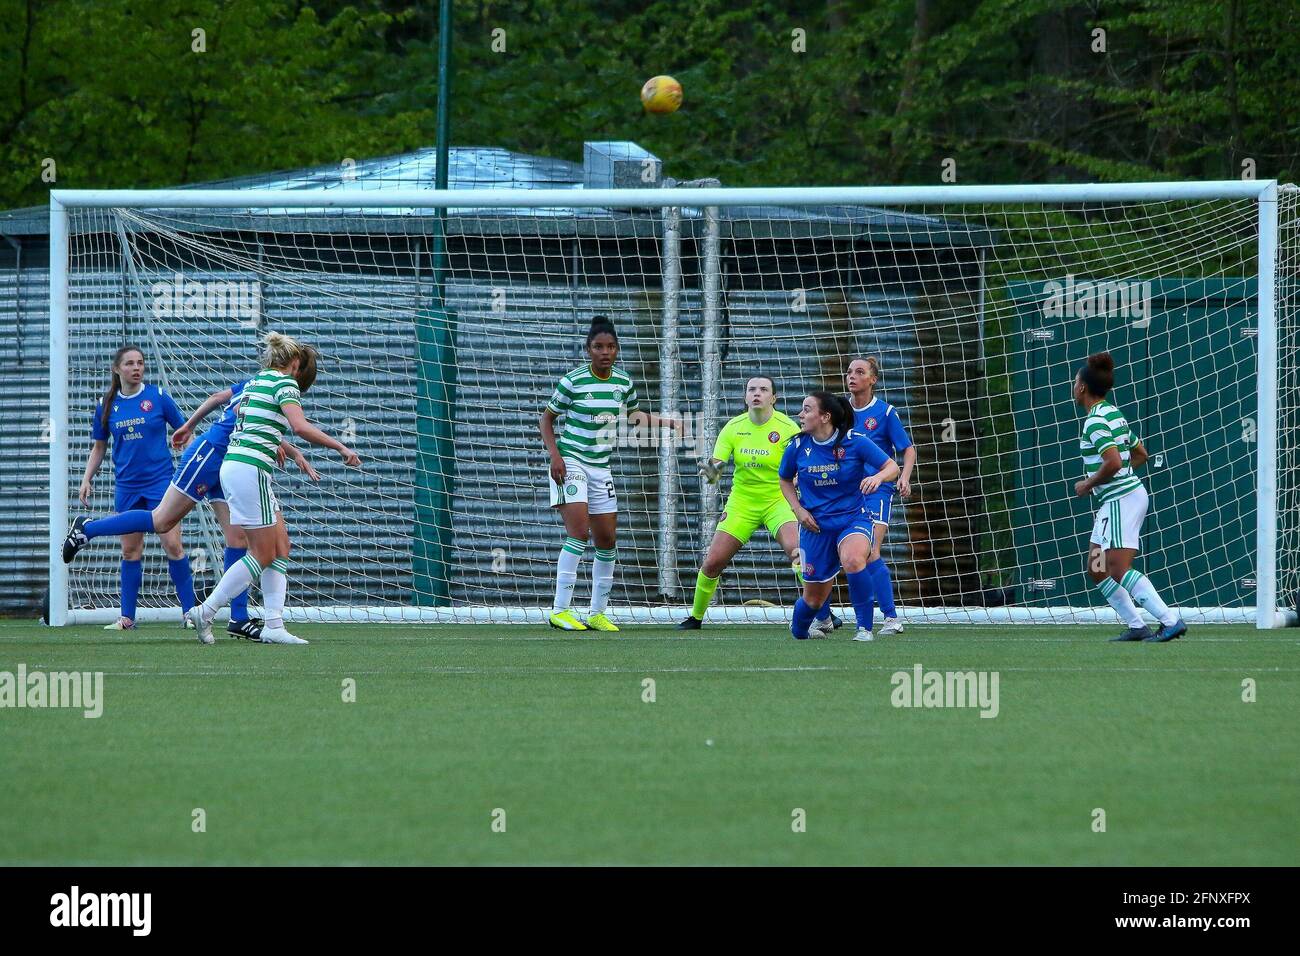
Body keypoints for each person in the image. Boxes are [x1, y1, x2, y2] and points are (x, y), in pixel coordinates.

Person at [63, 354, 320, 641]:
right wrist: (187, 426)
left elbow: (253, 420)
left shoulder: (267, 384)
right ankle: (87, 529)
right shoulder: (264, 382)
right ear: (295, 372)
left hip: (231, 462)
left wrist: (293, 451)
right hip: (210, 455)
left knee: (238, 540)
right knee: (161, 522)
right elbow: (220, 402)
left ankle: (238, 618)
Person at [189, 333, 360, 645]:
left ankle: (273, 625)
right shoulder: (285, 383)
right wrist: (340, 447)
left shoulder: (256, 381)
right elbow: (300, 426)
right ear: (294, 365)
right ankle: (207, 610)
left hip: (241, 466)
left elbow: (243, 415)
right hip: (249, 469)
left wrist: (281, 445)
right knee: (263, 552)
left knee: (281, 547)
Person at [540, 315, 682, 632]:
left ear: (617, 350)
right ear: (588, 350)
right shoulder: (572, 382)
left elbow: (633, 415)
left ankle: (596, 613)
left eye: (611, 346)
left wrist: (668, 422)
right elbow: (546, 420)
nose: (605, 352)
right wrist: (556, 455)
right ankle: (559, 610)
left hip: (600, 466)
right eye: (598, 346)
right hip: (571, 461)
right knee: (578, 533)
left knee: (607, 540)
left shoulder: (623, 383)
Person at [75, 346, 193, 629]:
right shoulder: (106, 405)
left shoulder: (158, 397)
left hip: (161, 483)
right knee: (130, 551)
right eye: (129, 363)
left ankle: (191, 614)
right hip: (127, 486)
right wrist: (86, 478)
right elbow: (99, 447)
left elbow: (185, 432)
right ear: (117, 369)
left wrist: (190, 458)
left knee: (173, 546)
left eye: (140, 362)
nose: (136, 368)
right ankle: (127, 617)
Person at [1073, 352, 1185, 642]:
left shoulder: (1095, 421)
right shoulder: (1113, 413)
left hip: (1123, 499)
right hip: (1121, 496)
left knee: (1118, 568)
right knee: (1096, 568)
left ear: (1083, 387)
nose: (1073, 387)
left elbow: (1113, 462)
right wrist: (1118, 477)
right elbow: (1141, 454)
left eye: (1075, 382)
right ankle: (1137, 626)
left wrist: (1089, 483)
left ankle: (1169, 620)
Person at [677, 376, 801, 629]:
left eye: (764, 389)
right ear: (745, 397)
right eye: (752, 389)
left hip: (777, 500)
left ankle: (821, 611)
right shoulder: (733, 428)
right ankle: (695, 617)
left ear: (773, 398)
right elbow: (716, 468)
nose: (757, 393)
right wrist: (711, 474)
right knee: (712, 563)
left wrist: (798, 481)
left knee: (800, 554)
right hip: (742, 502)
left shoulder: (788, 429)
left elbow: (802, 467)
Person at [778, 391, 899, 642]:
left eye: (807, 409)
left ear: (825, 416)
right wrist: (798, 511)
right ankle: (799, 629)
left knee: (854, 559)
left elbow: (892, 467)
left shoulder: (856, 441)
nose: (800, 414)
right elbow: (784, 479)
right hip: (815, 527)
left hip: (853, 518)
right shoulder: (797, 447)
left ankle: (864, 629)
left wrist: (877, 478)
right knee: (813, 599)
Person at [839, 356, 917, 636]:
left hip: (876, 490)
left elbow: (907, 449)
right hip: (842, 492)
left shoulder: (885, 413)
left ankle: (891, 618)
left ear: (873, 379)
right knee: (822, 550)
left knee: (870, 552)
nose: (852, 376)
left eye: (859, 372)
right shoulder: (837, 410)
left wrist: (904, 477)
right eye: (849, 372)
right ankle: (821, 616)